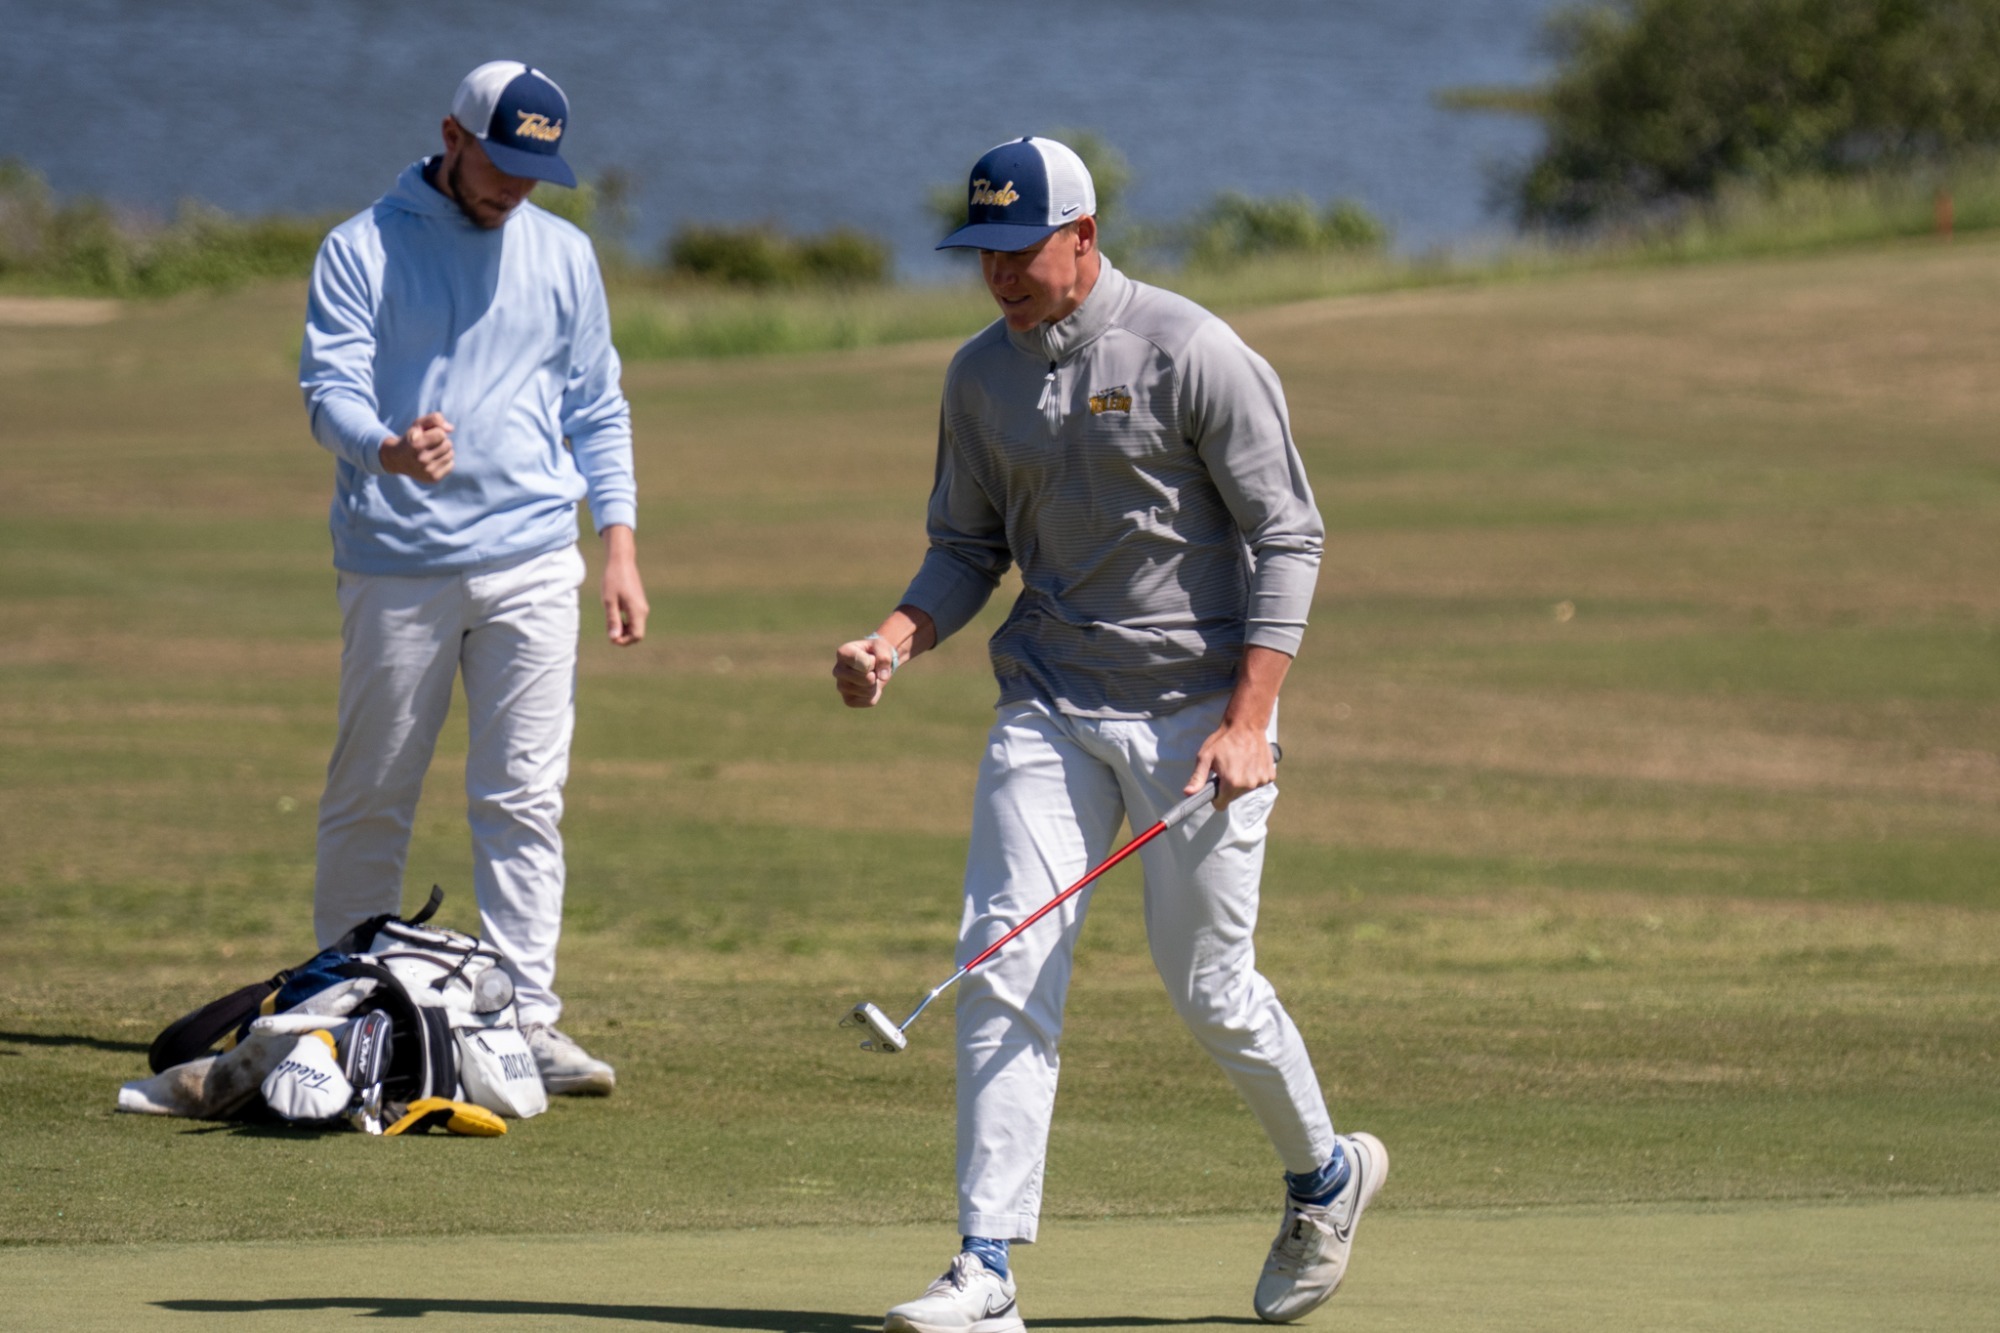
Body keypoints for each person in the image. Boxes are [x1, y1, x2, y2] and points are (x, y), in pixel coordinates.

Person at [833, 137, 1385, 1330]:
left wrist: (1248, 721)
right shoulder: (977, 377)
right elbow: (966, 548)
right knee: (1001, 961)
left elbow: (1288, 536)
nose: (998, 274)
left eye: (1018, 249)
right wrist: (894, 637)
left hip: (1200, 715)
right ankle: (985, 1268)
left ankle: (1325, 1175)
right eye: (980, 252)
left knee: (1209, 989)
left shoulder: (1191, 350)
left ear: (1081, 235)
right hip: (1047, 699)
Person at [299, 61, 646, 1097]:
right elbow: (328, 390)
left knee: (525, 797)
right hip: (397, 566)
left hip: (536, 558)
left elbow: (598, 406)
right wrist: (387, 449)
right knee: (373, 792)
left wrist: (617, 541)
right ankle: (346, 1004)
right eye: (499, 164)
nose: (513, 188)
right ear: (450, 134)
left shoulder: (564, 254)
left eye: (535, 171)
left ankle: (526, 1018)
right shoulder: (361, 246)